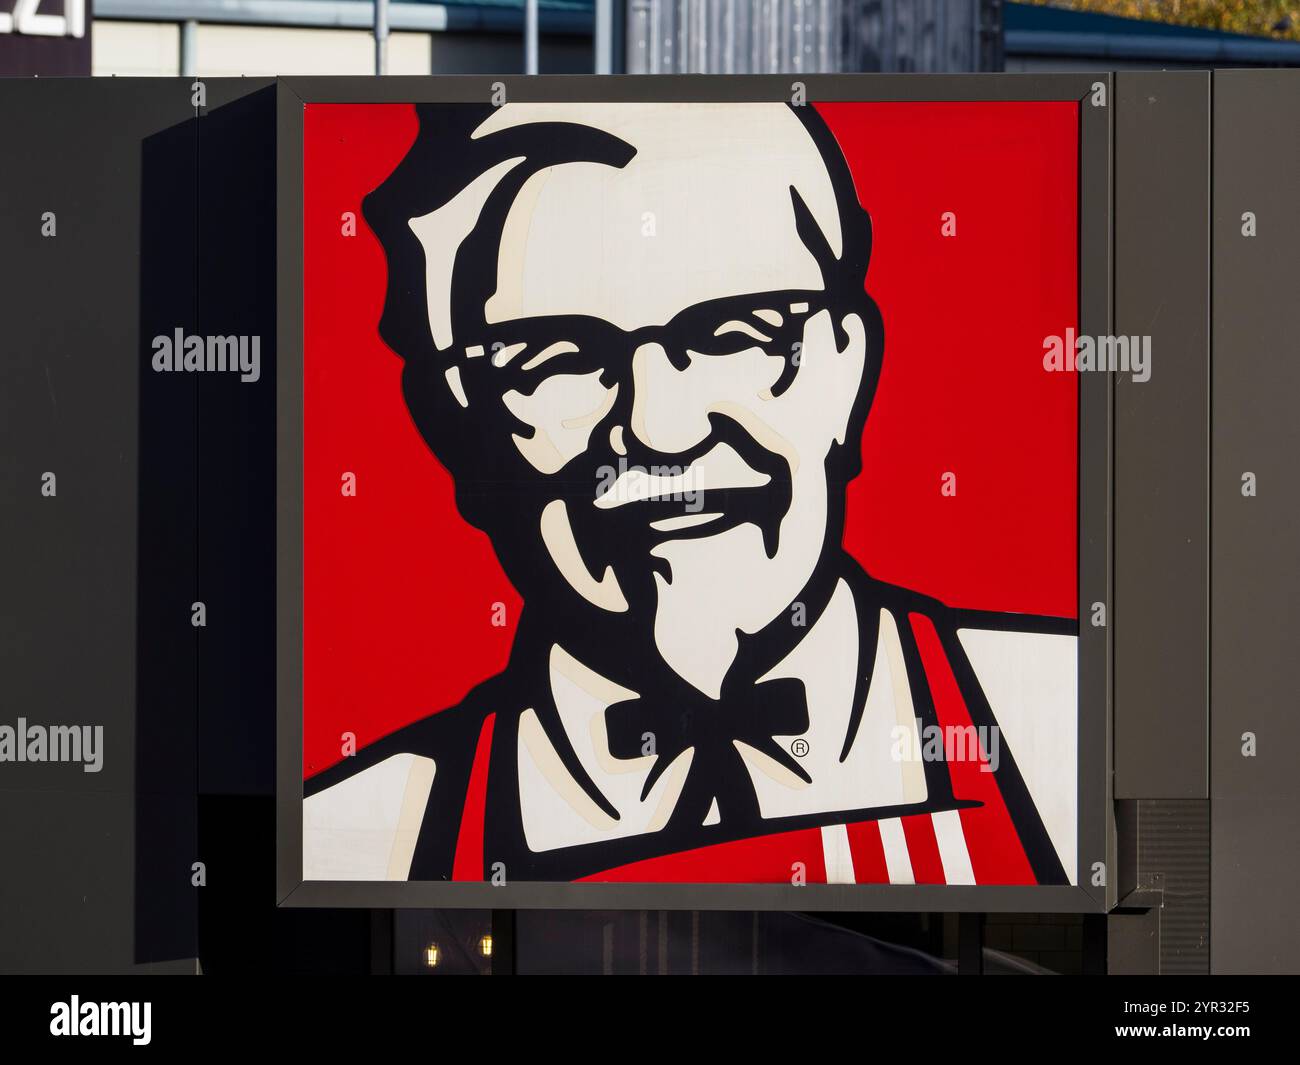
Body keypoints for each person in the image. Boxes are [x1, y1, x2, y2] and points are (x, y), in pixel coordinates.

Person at [303, 102, 1077, 887]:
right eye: (555, 358)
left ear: (847, 368)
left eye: (737, 334)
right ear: (461, 428)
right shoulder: (374, 829)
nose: (660, 426)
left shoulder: (1057, 721)